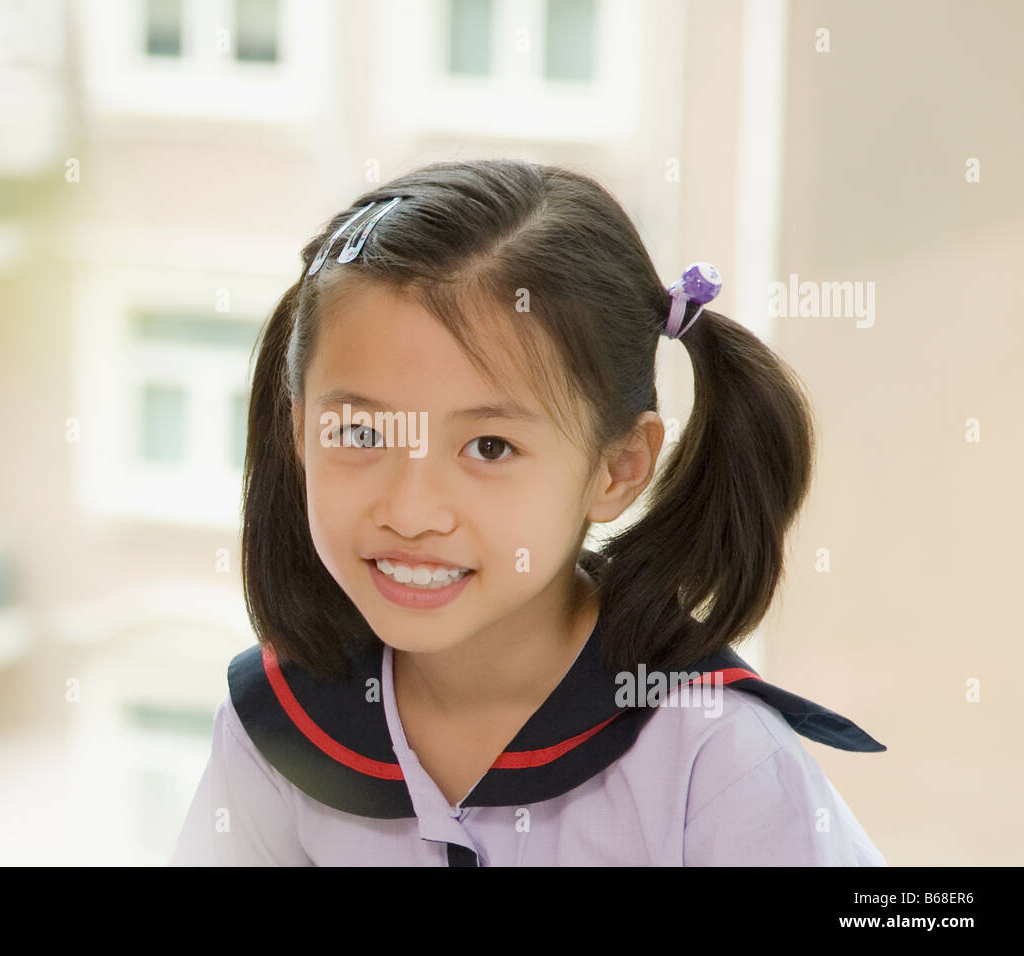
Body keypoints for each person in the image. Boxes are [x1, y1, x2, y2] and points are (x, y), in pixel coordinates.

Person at [168, 159, 887, 866]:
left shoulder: (717, 757)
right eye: (361, 434)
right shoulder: (275, 729)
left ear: (618, 467)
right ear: (299, 433)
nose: (411, 511)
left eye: (488, 446)